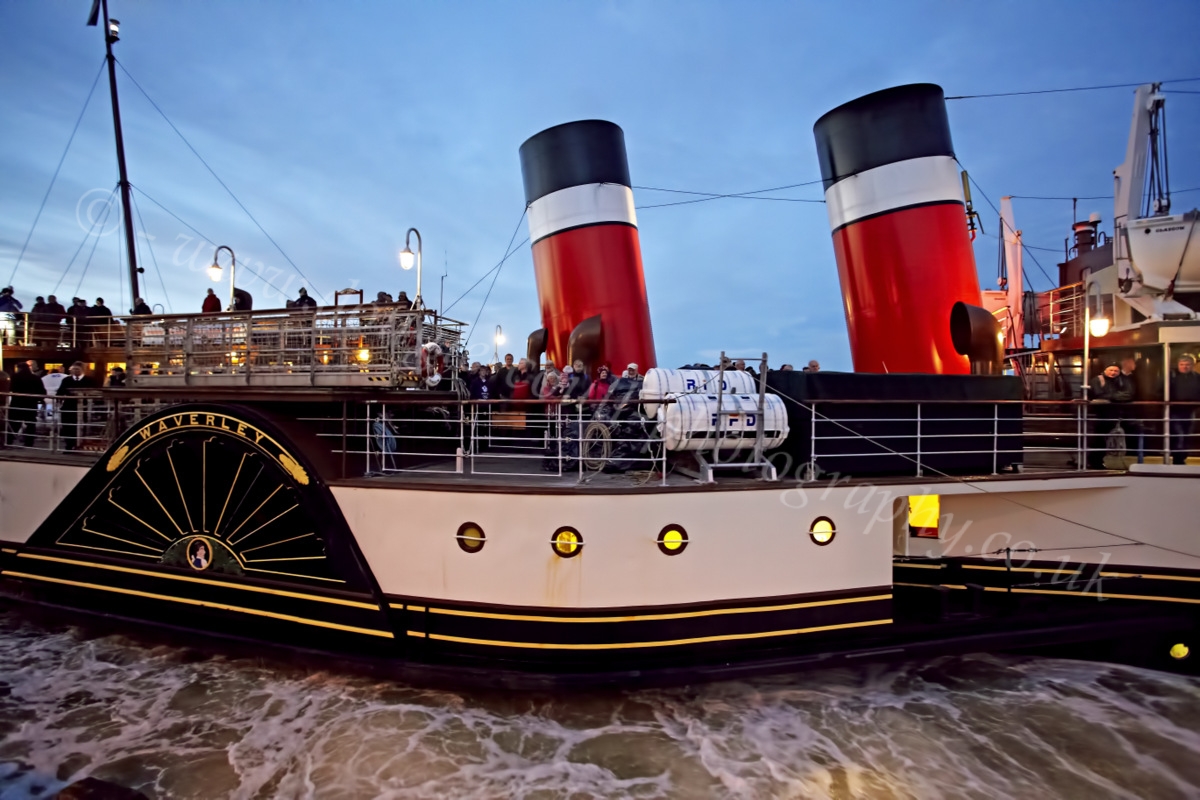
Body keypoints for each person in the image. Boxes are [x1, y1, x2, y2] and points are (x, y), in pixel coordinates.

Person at [1086, 363, 1130, 469]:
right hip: (1099, 414)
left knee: (1104, 439)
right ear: (1105, 370)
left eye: (1116, 371)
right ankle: (1094, 461)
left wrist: (1111, 397)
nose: (1113, 373)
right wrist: (1117, 397)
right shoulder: (1097, 380)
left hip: (1113, 413)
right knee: (1098, 439)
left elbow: (1128, 395)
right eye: (1111, 370)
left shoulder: (1120, 381)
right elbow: (1098, 394)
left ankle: (1097, 461)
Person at [56, 362, 98, 451]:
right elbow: (60, 392)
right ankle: (69, 445)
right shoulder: (66, 380)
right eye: (73, 369)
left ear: (83, 370)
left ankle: (79, 444)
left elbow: (95, 393)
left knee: (81, 426)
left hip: (84, 407)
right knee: (67, 426)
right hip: (68, 406)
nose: (75, 371)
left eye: (77, 369)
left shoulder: (90, 380)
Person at [1169, 354, 1200, 465]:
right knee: (1179, 434)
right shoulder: (1172, 377)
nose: (1184, 367)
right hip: (1175, 410)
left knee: (1187, 434)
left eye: (1187, 364)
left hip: (1190, 411)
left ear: (1192, 365)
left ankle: (1182, 457)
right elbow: (1161, 390)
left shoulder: (1197, 377)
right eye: (1182, 364)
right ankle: (1177, 459)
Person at [6, 361, 45, 448]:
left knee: (14, 423)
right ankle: (29, 442)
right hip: (31, 403)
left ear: (19, 368)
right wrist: (38, 399)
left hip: (17, 403)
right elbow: (42, 391)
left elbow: (11, 388)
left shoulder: (15, 377)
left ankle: (9, 440)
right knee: (31, 423)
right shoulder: (35, 378)